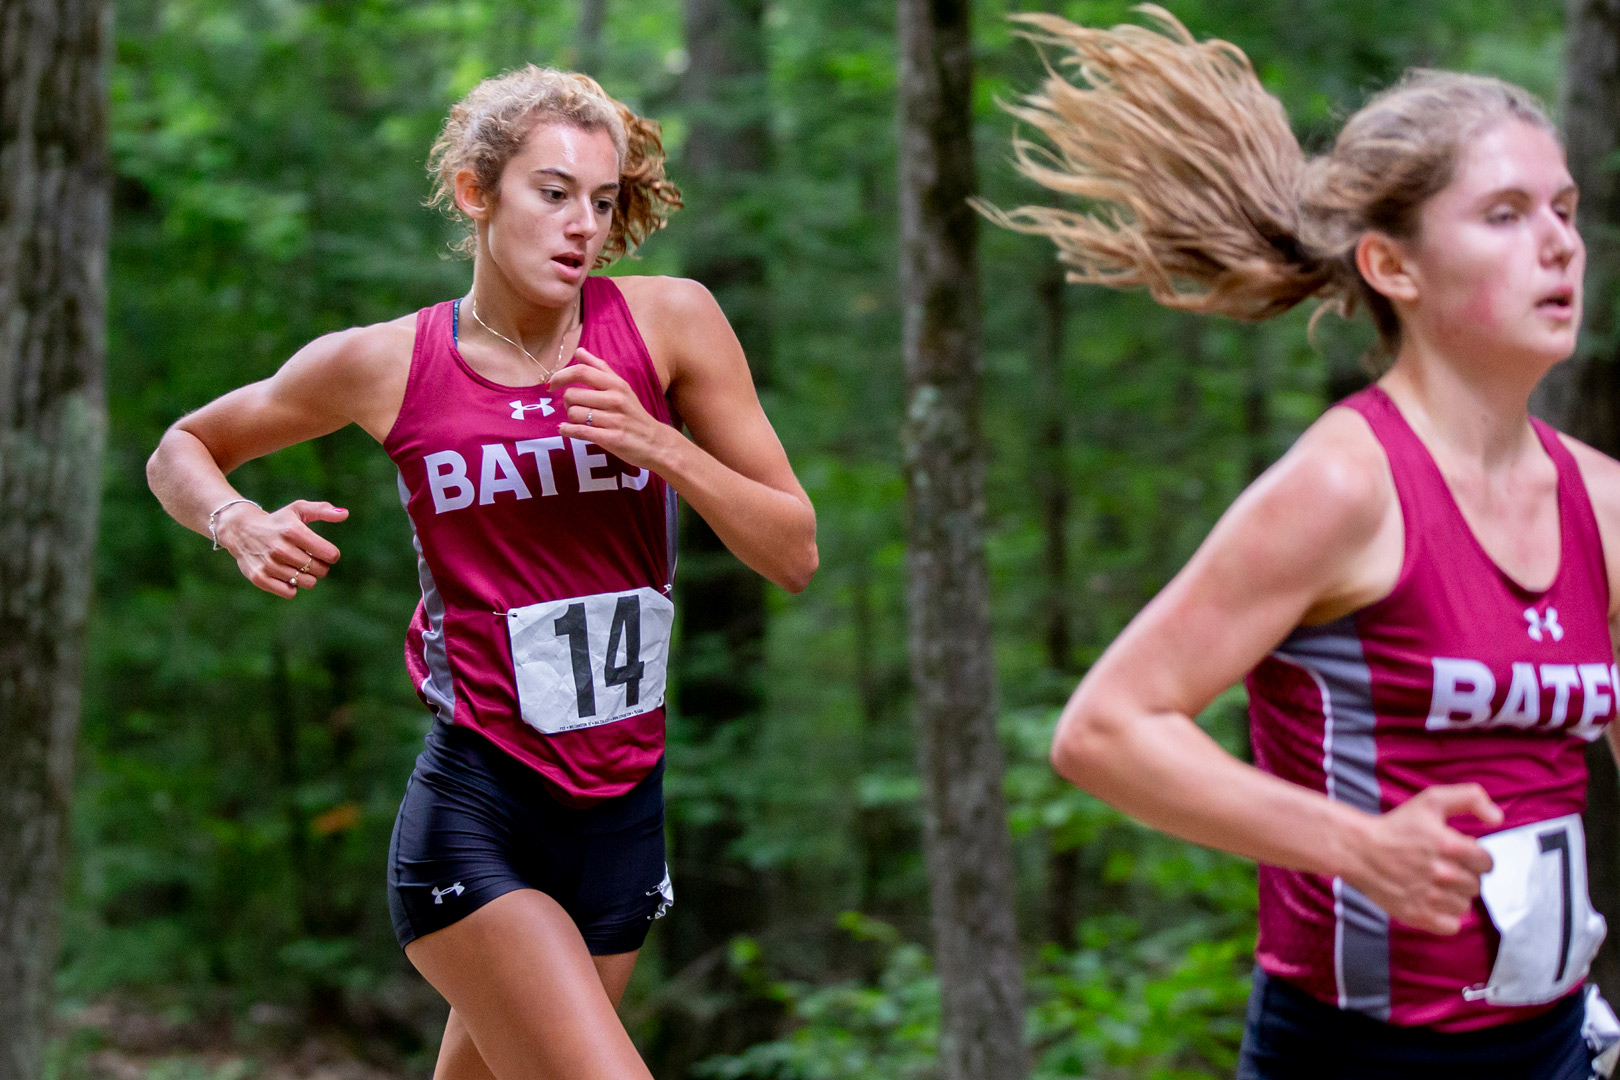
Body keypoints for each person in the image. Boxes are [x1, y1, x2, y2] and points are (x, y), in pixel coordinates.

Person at [146, 67, 817, 1080]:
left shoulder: (669, 323)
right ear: (476, 193)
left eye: (600, 200)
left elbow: (793, 552)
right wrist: (236, 520)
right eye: (552, 192)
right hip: (482, 805)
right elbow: (183, 447)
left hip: (625, 812)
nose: (582, 225)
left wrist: (661, 446)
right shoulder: (388, 363)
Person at [985, 8, 1620, 1077]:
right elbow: (1104, 731)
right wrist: (1360, 848)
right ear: (1393, 266)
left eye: (1564, 209)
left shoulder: (1600, 500)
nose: (1559, 244)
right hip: (1354, 1055)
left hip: (1554, 1045)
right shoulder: (1346, 487)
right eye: (1506, 215)